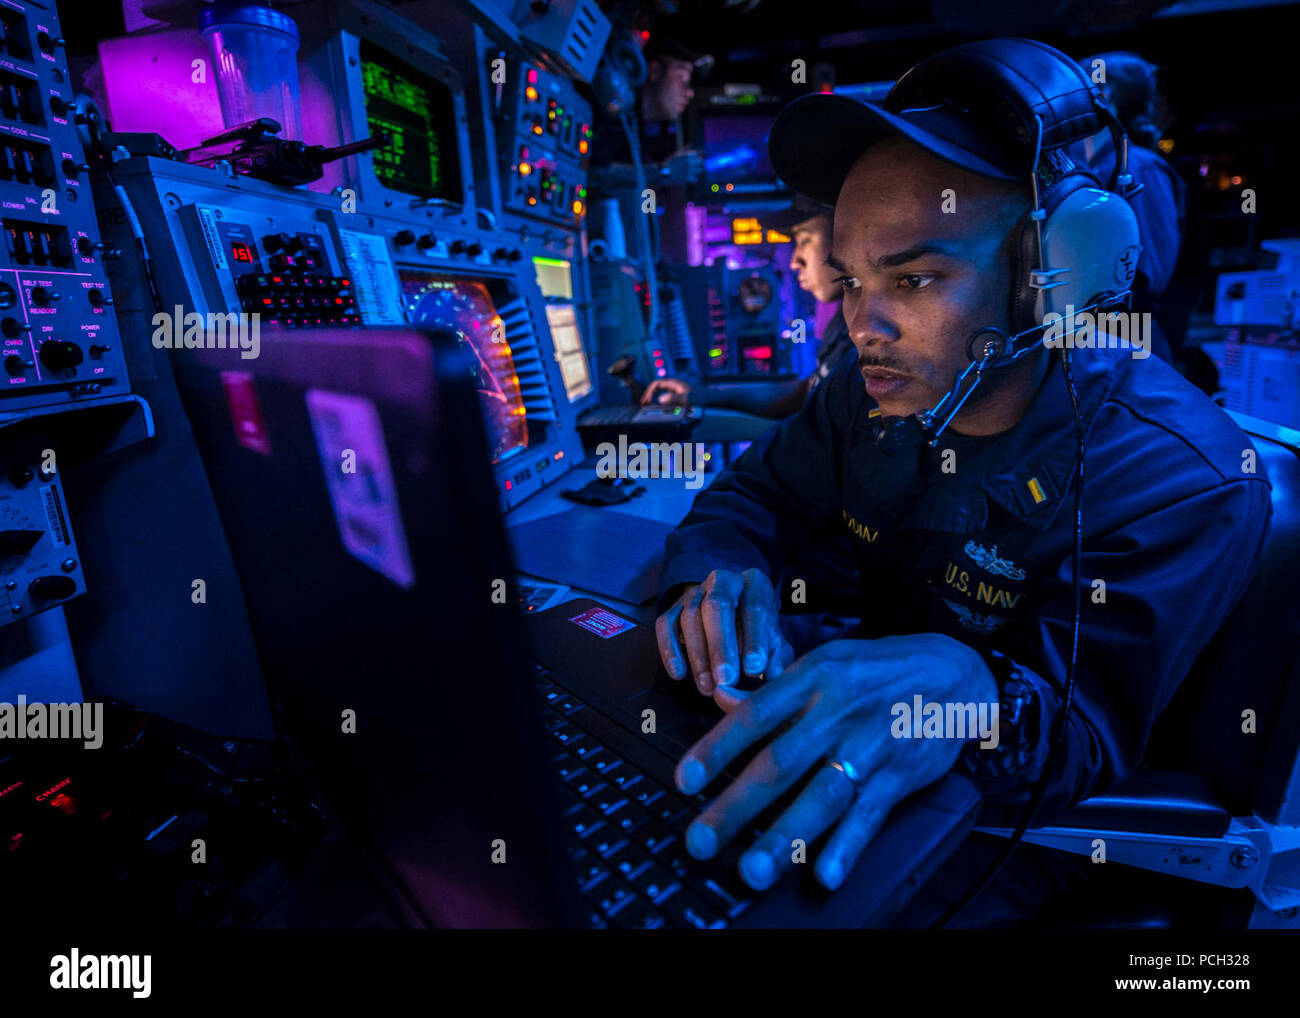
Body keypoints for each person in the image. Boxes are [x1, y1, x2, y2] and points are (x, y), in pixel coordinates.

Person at [650, 39, 1272, 924]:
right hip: (858, 732)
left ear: (1052, 278)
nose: (864, 323)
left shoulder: (1181, 477)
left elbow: (1078, 727)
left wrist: (974, 687)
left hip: (1030, 820)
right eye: (855, 280)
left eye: (914, 277)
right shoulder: (870, 397)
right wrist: (719, 574)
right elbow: (754, 496)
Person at [639, 194, 854, 418]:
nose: (794, 261)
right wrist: (701, 395)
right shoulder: (842, 325)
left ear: (846, 237)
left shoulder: (864, 336)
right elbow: (804, 394)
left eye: (805, 240)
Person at [1072, 51, 1186, 360]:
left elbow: (1147, 273)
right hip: (1099, 336)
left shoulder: (1138, 167)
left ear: (1104, 96)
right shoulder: (1093, 168)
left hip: (1125, 340)